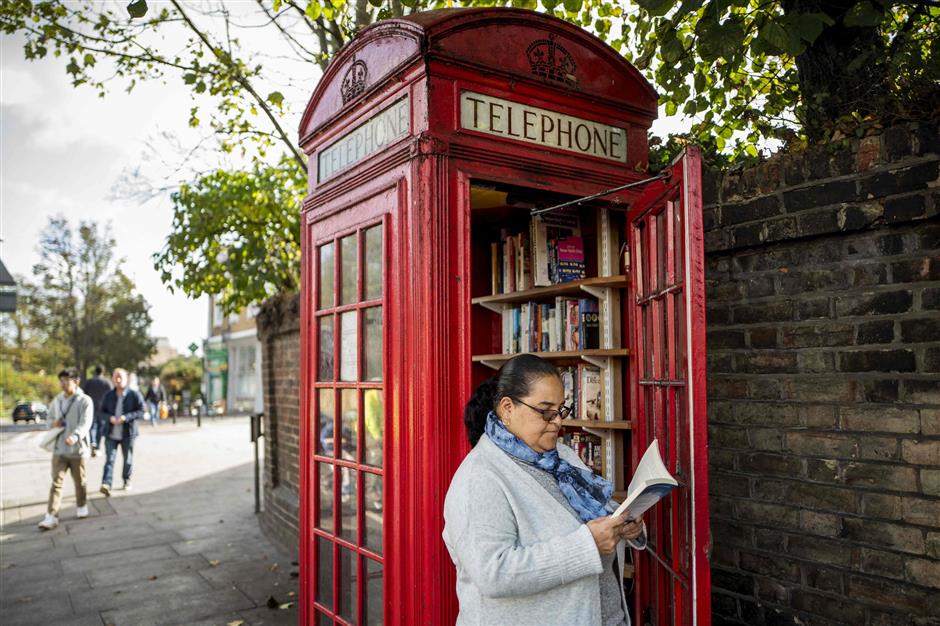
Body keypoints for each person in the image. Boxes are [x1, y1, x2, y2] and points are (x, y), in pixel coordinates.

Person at [442, 354, 646, 625]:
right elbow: (493, 573)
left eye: (561, 410)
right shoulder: (480, 478)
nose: (558, 422)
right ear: (507, 408)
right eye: (545, 411)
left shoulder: (562, 457)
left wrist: (624, 524)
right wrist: (586, 546)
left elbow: (588, 515)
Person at [38, 368, 93, 530]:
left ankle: (82, 504)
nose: (62, 384)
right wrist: (52, 423)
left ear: (76, 381)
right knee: (56, 483)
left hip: (77, 449)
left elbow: (86, 423)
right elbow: (48, 421)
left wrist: (75, 436)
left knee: (80, 481)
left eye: (66, 380)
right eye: (61, 380)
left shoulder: (85, 401)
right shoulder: (57, 400)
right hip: (59, 449)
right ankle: (51, 516)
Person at [98, 368, 145, 495]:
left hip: (128, 433)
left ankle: (126, 479)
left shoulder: (134, 394)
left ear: (126, 379)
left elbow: (141, 410)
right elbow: (101, 413)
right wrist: (110, 418)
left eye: (120, 377)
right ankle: (106, 483)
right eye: (115, 377)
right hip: (111, 433)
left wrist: (126, 418)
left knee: (127, 459)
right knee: (110, 459)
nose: (118, 380)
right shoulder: (108, 395)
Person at [81, 365, 112, 457]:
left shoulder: (89, 382)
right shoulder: (107, 382)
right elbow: (111, 395)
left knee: (92, 426)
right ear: (103, 371)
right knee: (100, 427)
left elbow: (84, 394)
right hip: (102, 408)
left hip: (91, 407)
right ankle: (97, 446)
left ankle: (92, 442)